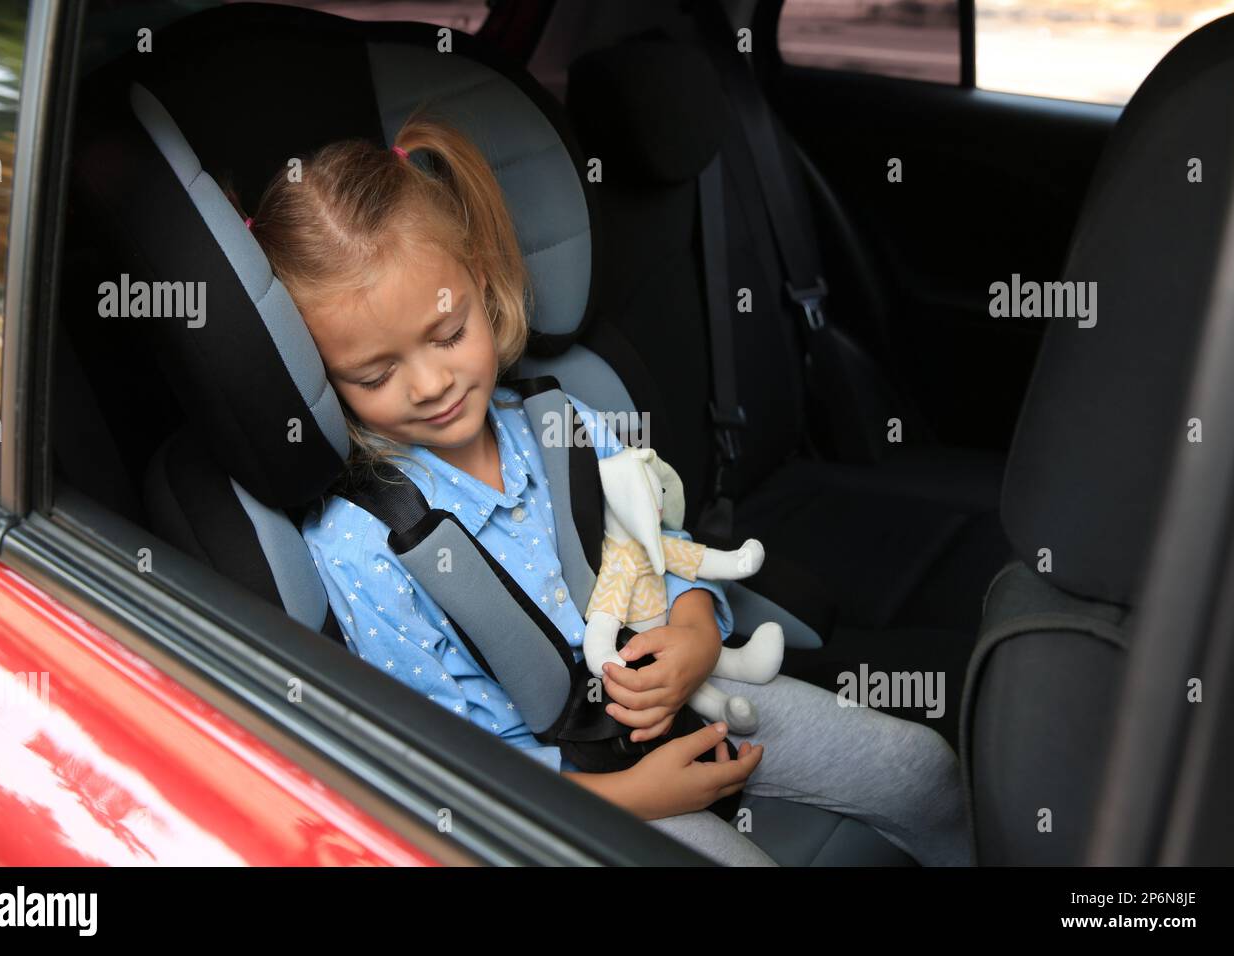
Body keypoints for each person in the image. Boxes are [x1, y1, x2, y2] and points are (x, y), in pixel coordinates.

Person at [225, 112, 971, 866]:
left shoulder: (566, 422)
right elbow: (445, 772)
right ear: (319, 379)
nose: (431, 384)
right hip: (554, 788)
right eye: (376, 375)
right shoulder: (362, 548)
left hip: (680, 685)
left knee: (923, 769)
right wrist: (641, 796)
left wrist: (694, 630)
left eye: (448, 335)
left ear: (482, 288)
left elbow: (662, 551)